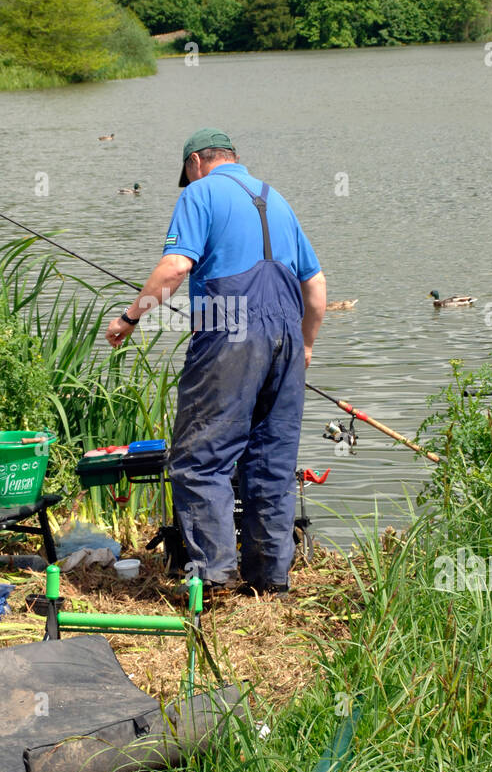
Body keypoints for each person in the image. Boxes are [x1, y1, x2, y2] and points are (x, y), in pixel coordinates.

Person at [105, 129, 326, 596]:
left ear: (194, 164)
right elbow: (317, 287)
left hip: (230, 330)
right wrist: (304, 346)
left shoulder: (200, 194)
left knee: (201, 460)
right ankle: (271, 582)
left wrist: (130, 318)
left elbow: (176, 267)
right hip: (286, 336)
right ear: (234, 159)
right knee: (270, 464)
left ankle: (216, 578)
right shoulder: (277, 199)